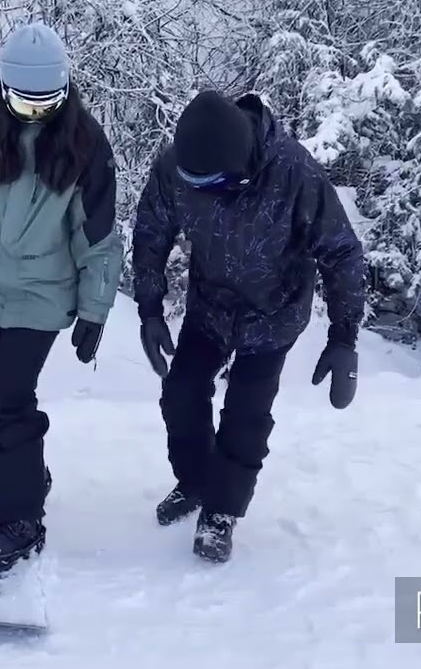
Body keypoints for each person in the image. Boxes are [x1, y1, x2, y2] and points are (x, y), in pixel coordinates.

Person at [131, 89, 366, 563]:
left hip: (273, 313)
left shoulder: (294, 172)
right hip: (210, 305)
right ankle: (196, 482)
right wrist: (150, 310)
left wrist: (343, 336)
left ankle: (221, 511)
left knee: (246, 415)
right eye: (194, 183)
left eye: (214, 183)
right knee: (181, 395)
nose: (202, 192)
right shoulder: (177, 166)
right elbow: (152, 230)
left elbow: (341, 251)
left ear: (241, 168)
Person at [0, 22, 123, 570]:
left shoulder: (85, 142)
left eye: (48, 104)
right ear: (3, 88)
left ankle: (19, 514)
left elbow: (98, 237)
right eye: (25, 104)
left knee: (11, 401)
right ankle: (23, 473)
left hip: (42, 295)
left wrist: (95, 309)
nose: (37, 114)